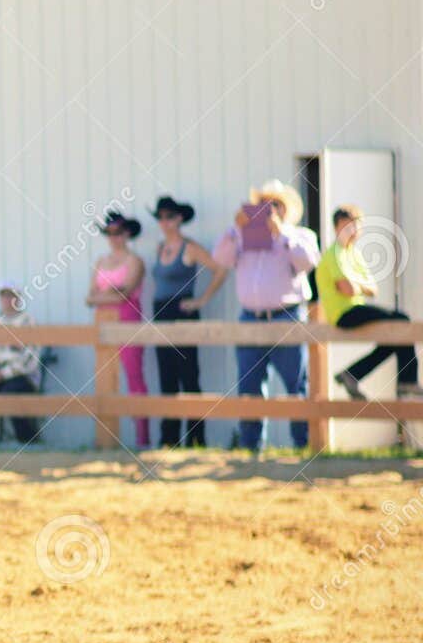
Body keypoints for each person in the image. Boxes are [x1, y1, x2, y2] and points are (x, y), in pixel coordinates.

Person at [212, 179, 320, 452]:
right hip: (251, 317)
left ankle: (303, 444)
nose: (269, 210)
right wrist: (237, 227)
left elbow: (307, 261)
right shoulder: (241, 236)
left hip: (287, 316)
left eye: (275, 205)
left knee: (296, 384)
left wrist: (280, 232)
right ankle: (251, 447)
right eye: (264, 205)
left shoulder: (300, 235)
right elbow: (220, 259)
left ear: (286, 210)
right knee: (249, 384)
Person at [318, 206, 421, 401]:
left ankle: (353, 374)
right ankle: (406, 382)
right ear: (336, 228)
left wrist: (356, 286)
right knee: (401, 321)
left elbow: (373, 288)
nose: (351, 230)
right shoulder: (334, 254)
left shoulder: (354, 254)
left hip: (356, 308)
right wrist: (359, 286)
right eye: (346, 226)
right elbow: (348, 289)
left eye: (355, 226)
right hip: (343, 314)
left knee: (397, 331)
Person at [149, 196, 227, 447]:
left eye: (169, 216)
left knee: (189, 376)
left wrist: (200, 301)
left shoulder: (190, 248)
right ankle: (168, 439)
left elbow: (220, 269)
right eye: (161, 217)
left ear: (179, 218)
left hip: (182, 312)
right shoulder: (160, 248)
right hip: (161, 314)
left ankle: (196, 438)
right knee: (166, 377)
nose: (165, 222)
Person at [86, 210, 150, 449]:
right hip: (103, 320)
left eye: (119, 232)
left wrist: (106, 294)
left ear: (127, 233)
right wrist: (111, 294)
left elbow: (126, 291)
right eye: (110, 233)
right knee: (105, 374)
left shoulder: (135, 260)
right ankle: (105, 437)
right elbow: (91, 296)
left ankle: (142, 438)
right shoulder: (101, 261)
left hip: (127, 317)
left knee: (134, 376)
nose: (114, 237)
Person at [0, 279, 41, 445]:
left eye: (10, 295)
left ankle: (27, 442)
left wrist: (3, 374)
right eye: (3, 295)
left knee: (11, 393)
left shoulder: (28, 321)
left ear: (18, 298)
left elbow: (30, 359)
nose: (6, 299)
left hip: (21, 375)